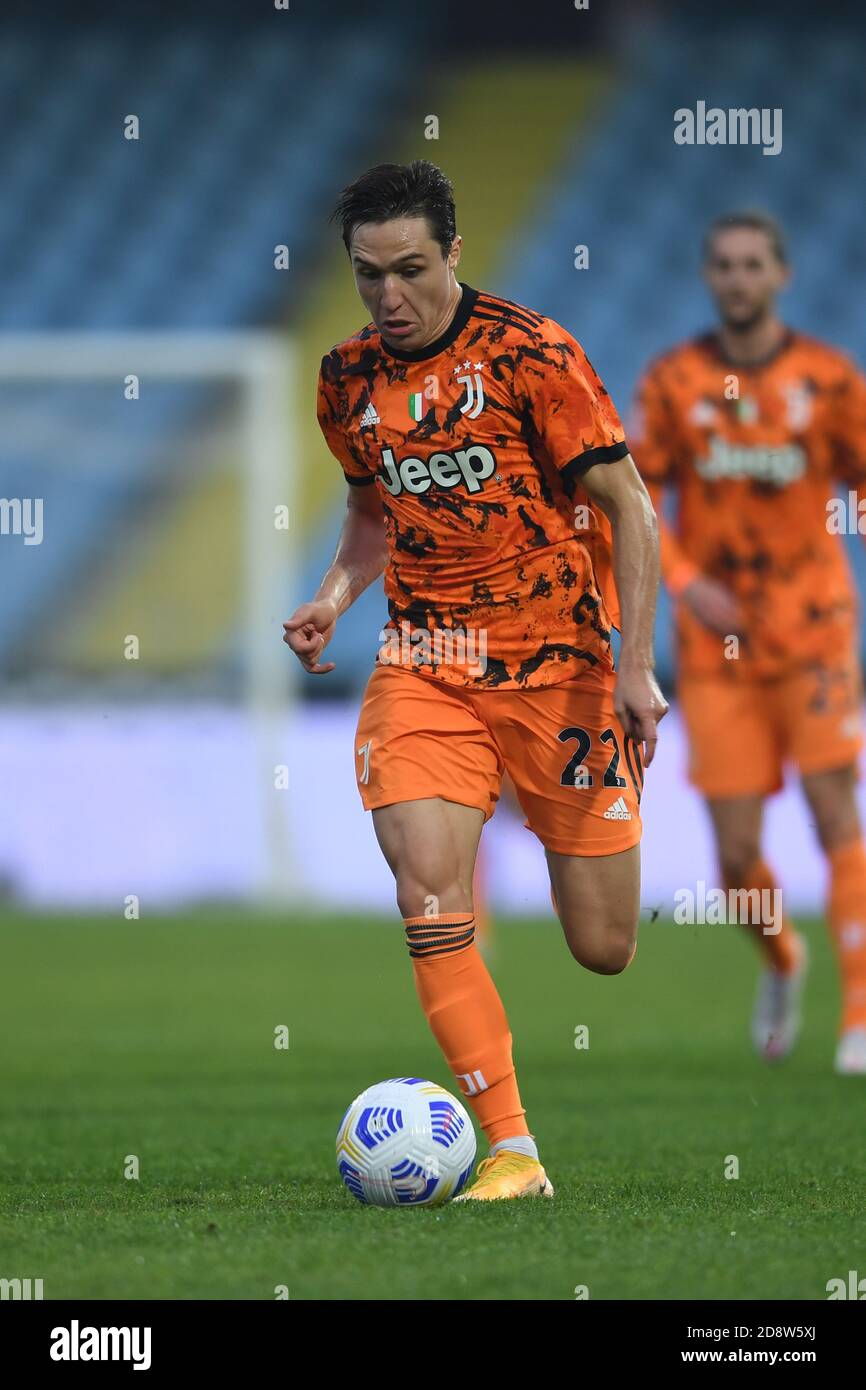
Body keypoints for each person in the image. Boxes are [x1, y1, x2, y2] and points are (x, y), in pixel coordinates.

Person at [284, 160, 667, 1199]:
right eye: (368, 275)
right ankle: (512, 1149)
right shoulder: (345, 378)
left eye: (409, 269)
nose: (389, 297)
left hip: (562, 670)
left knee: (603, 946)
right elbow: (373, 512)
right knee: (427, 890)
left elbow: (631, 507)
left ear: (452, 251)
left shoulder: (531, 355)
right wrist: (332, 594)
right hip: (426, 663)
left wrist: (634, 672)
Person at [632, 211, 866, 1073]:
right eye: (724, 265)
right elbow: (637, 504)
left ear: (782, 276)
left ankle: (860, 1018)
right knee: (734, 856)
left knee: (836, 816)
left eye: (753, 264)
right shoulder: (673, 382)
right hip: (717, 654)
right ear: (709, 277)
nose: (738, 278)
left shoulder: (831, 381)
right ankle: (783, 959)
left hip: (815, 636)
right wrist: (689, 585)